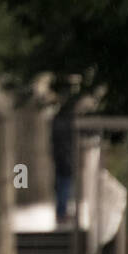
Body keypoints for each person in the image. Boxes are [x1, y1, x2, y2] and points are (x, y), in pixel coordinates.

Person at [51, 84, 77, 226]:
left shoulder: (57, 120)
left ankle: (62, 212)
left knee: (62, 185)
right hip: (65, 157)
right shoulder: (67, 121)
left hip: (60, 156)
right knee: (64, 185)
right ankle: (62, 213)